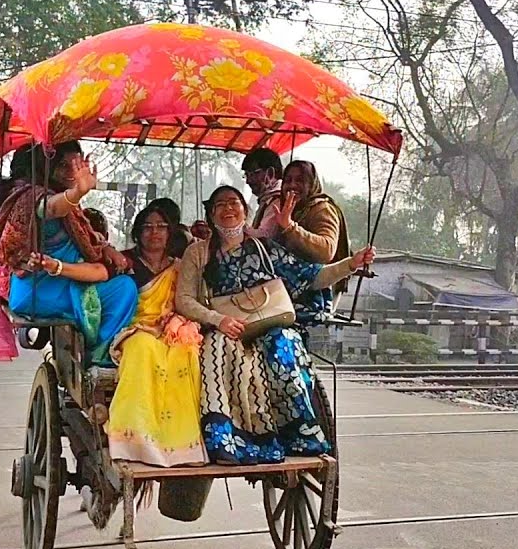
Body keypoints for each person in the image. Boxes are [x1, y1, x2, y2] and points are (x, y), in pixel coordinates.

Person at [176, 186, 376, 465]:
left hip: (269, 326)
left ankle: (297, 434)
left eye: (234, 203)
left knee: (284, 343)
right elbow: (183, 300)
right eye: (220, 204)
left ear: (245, 212)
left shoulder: (265, 248)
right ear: (211, 215)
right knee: (217, 349)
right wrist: (218, 320)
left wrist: (351, 264)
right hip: (222, 329)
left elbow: (313, 277)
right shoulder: (197, 253)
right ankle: (226, 441)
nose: (228, 209)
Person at [0, 141, 138, 365]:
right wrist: (78, 191)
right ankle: (99, 358)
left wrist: (106, 248)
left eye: (77, 165)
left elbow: (90, 239)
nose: (72, 172)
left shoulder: (64, 205)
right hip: (42, 291)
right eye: (64, 165)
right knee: (125, 289)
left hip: (43, 289)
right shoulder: (33, 198)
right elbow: (51, 207)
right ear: (46, 167)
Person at [105, 201, 206, 467]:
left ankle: (183, 445)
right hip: (135, 329)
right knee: (141, 347)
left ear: (170, 233)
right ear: (137, 233)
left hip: (172, 329)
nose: (155, 232)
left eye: (161, 227)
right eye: (148, 227)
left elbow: (190, 301)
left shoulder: (180, 267)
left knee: (187, 352)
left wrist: (176, 321)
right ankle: (136, 441)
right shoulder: (122, 261)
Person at [276, 160, 351, 267]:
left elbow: (327, 250)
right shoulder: (288, 210)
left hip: (317, 281)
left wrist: (290, 227)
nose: (292, 185)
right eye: (288, 180)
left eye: (300, 180)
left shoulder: (322, 209)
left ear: (311, 185)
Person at [241, 147, 284, 239]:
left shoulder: (278, 200)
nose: (248, 181)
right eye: (246, 175)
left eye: (252, 174)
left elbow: (265, 236)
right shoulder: (267, 199)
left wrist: (236, 228)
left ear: (270, 173)